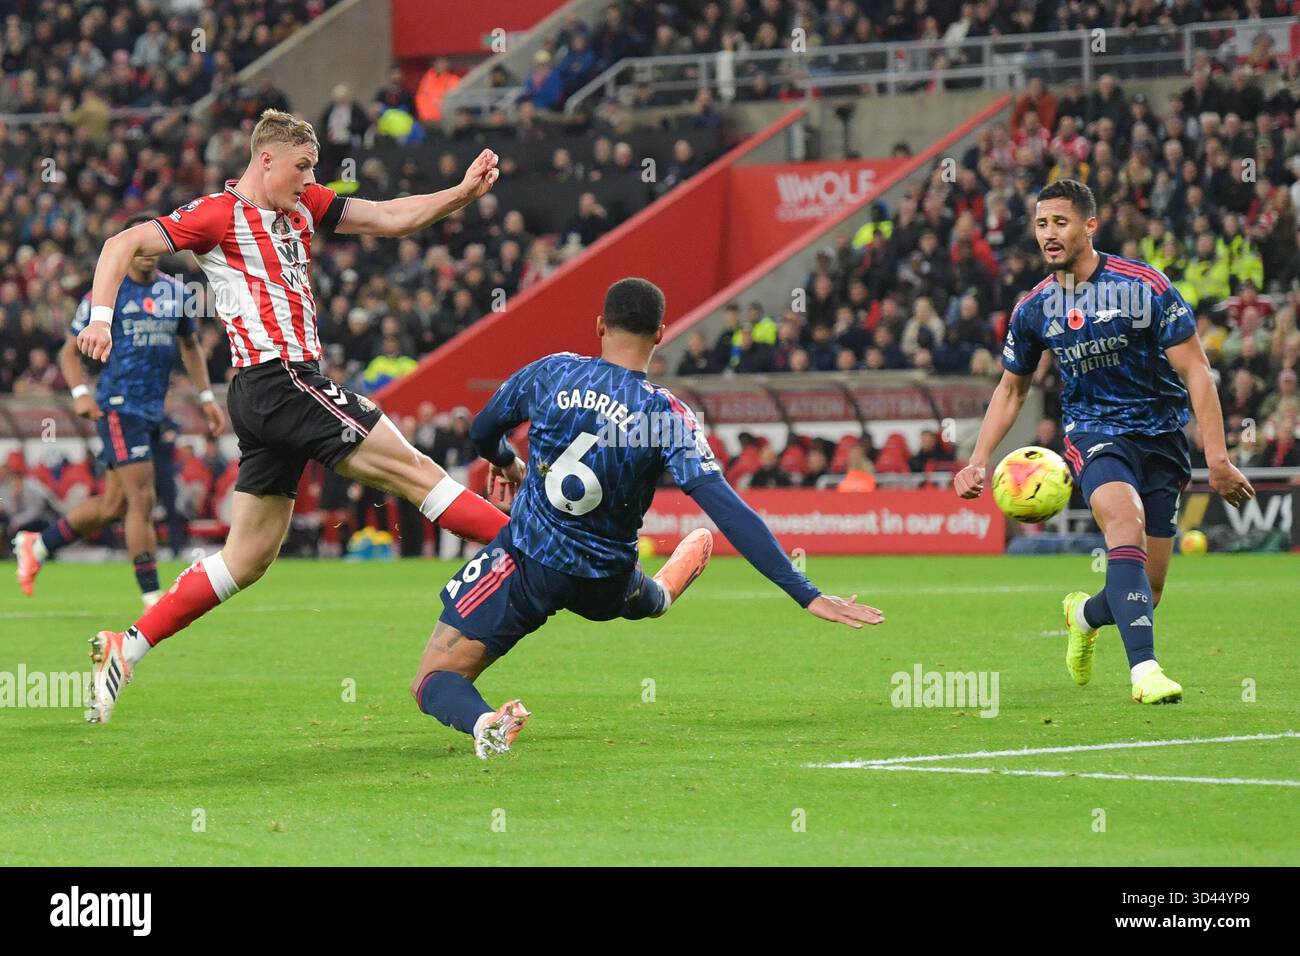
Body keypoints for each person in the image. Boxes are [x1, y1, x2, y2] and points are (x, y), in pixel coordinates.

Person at [75, 110, 512, 723]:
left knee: (247, 557)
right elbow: (121, 243)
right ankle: (531, 543)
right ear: (266, 161)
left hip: (264, 397)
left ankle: (129, 643)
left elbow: (387, 216)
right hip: (280, 380)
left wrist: (462, 194)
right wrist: (99, 317)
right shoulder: (219, 215)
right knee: (412, 469)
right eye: (301, 167)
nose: (310, 179)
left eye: (315, 168)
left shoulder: (304, 206)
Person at [411, 278, 884, 758]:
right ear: (660, 333)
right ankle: (661, 593)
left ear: (599, 325)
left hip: (530, 561)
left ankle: (489, 722)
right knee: (645, 599)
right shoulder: (665, 415)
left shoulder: (551, 374)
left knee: (434, 678)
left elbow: (482, 430)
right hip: (606, 580)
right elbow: (728, 509)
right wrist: (804, 593)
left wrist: (508, 461)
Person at [955, 179, 1253, 705]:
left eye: (1061, 222)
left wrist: (1219, 458)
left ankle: (1083, 615)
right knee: (1125, 522)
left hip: (1161, 438)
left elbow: (1198, 373)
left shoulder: (1143, 286)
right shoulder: (1034, 308)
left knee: (1150, 591)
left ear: (1089, 226)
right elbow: (1011, 388)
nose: (1049, 234)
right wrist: (977, 459)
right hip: (1093, 432)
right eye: (1042, 223)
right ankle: (1146, 672)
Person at [13, 213, 225, 609]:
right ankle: (153, 597)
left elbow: (191, 348)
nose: (147, 255)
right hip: (116, 406)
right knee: (143, 496)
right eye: (139, 247)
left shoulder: (175, 293)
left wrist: (207, 398)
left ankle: (37, 544)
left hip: (152, 409)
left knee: (116, 506)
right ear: (128, 248)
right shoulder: (103, 294)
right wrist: (79, 392)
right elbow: (68, 353)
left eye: (153, 247)